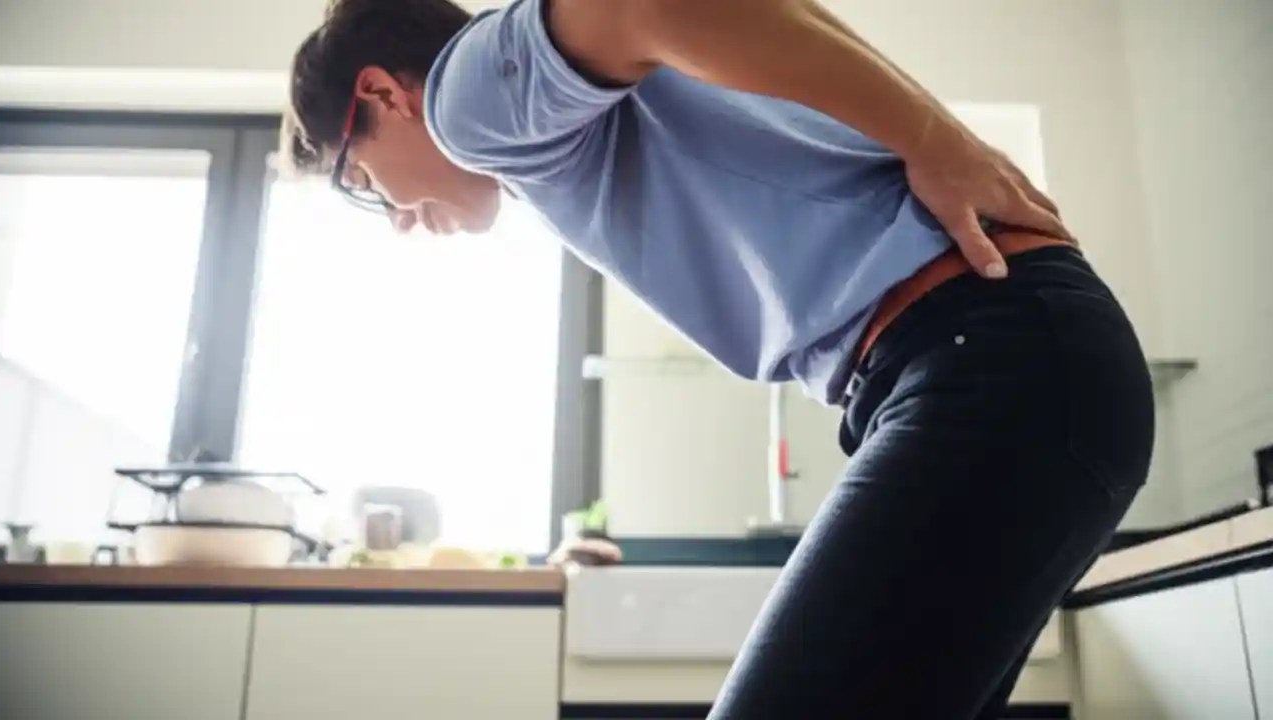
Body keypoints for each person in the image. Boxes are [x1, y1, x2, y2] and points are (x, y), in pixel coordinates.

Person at [282, 0, 1155, 717]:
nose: (395, 214)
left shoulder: (466, 99)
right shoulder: (543, 120)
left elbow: (642, 3)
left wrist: (940, 142)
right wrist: (937, 138)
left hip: (987, 360)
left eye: (360, 182)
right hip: (1015, 357)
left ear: (382, 96)